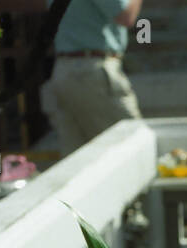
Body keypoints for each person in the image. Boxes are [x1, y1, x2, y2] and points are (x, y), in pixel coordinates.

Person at [45, 0, 144, 154]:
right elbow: (126, 16)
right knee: (133, 146)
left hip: (63, 71)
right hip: (90, 72)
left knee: (77, 162)